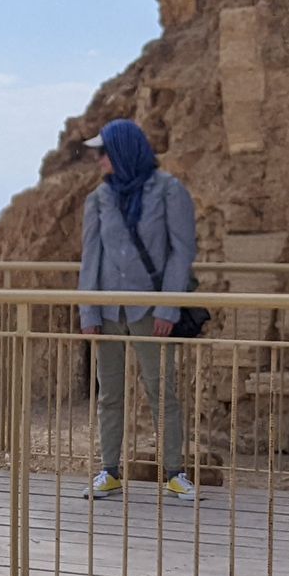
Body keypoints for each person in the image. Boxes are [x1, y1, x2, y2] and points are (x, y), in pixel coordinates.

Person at [77, 119, 197, 503]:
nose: (99, 160)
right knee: (109, 393)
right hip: (110, 310)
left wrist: (168, 307)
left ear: (124, 151)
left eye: (104, 152)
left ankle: (174, 471)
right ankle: (109, 471)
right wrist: (89, 312)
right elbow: (91, 258)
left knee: (162, 390)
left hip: (150, 309)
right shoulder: (99, 198)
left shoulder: (168, 191)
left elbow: (181, 252)